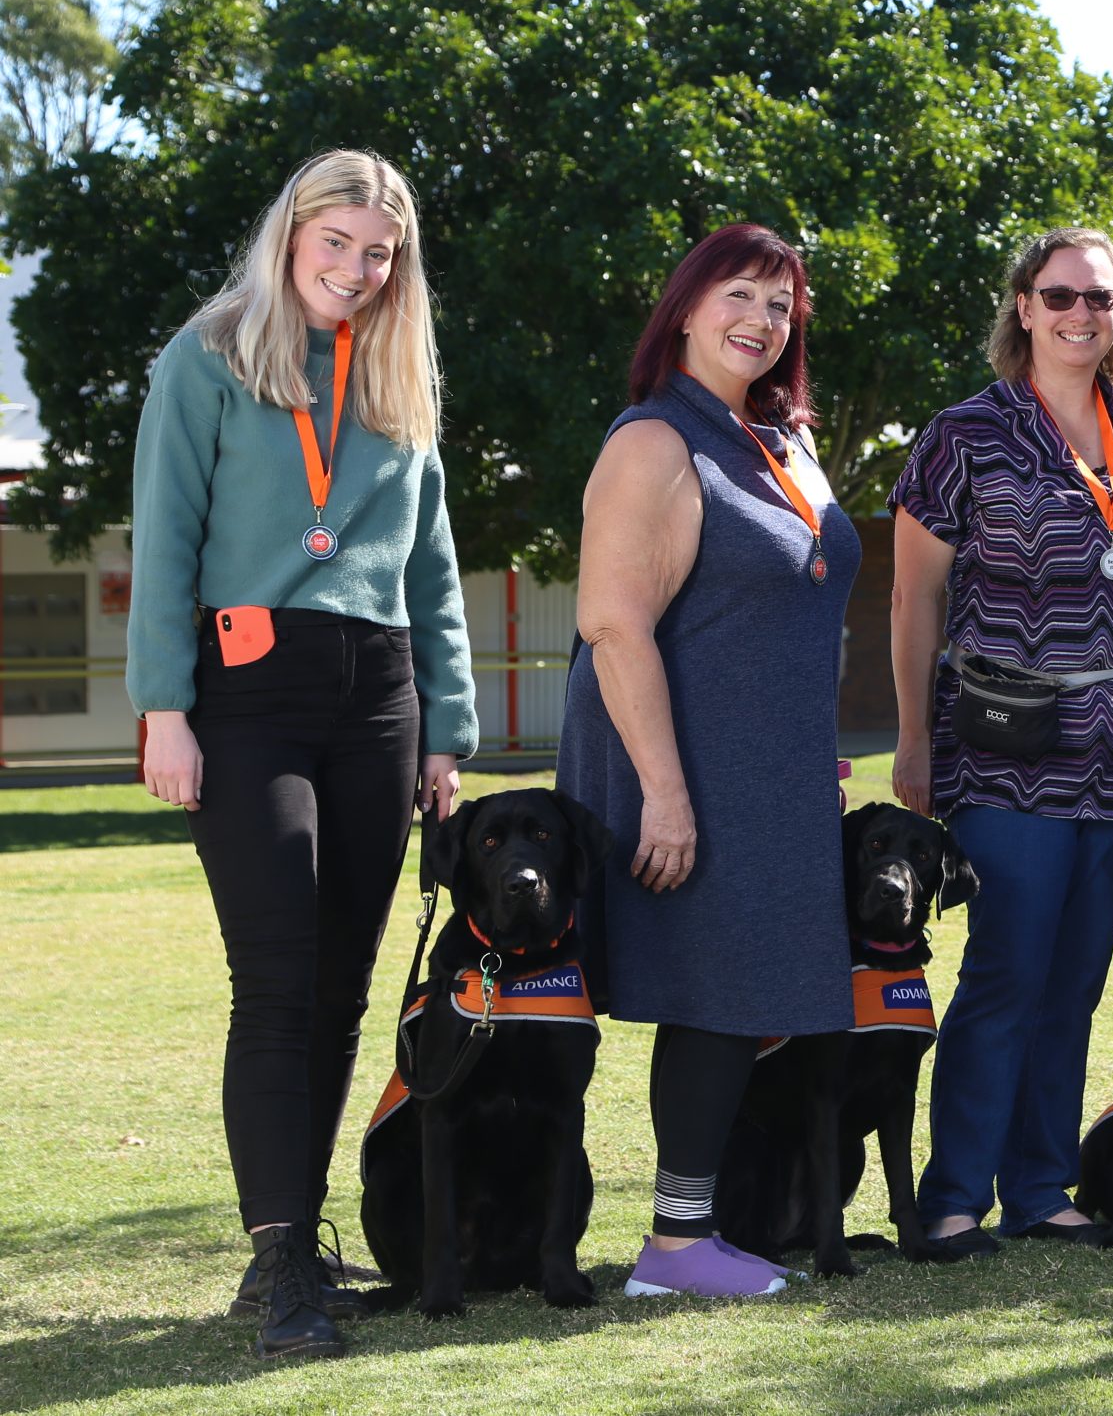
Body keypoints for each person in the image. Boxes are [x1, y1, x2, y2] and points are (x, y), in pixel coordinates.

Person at [130, 149, 474, 1361]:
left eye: (378, 254)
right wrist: (163, 707)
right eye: (336, 243)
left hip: (378, 693)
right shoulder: (208, 356)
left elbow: (432, 567)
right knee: (276, 981)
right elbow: (166, 537)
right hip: (247, 693)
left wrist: (448, 726)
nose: (355, 269)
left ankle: (294, 1236)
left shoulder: (399, 375)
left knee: (339, 991)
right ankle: (282, 1268)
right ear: (291, 236)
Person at [556, 223, 860, 1299]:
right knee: (714, 994)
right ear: (684, 307)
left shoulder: (780, 440)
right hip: (680, 767)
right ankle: (677, 1247)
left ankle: (701, 1230)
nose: (761, 321)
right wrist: (667, 798)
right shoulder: (654, 441)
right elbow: (614, 626)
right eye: (739, 294)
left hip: (772, 772)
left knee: (745, 998)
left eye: (781, 306)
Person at [889, 226, 1113, 1257]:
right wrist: (910, 740)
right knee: (1006, 972)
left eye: (1101, 299)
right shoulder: (964, 434)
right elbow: (912, 598)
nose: (1082, 316)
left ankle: (1039, 1187)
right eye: (1060, 297)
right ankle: (950, 1199)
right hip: (1003, 743)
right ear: (1022, 306)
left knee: (1075, 978)